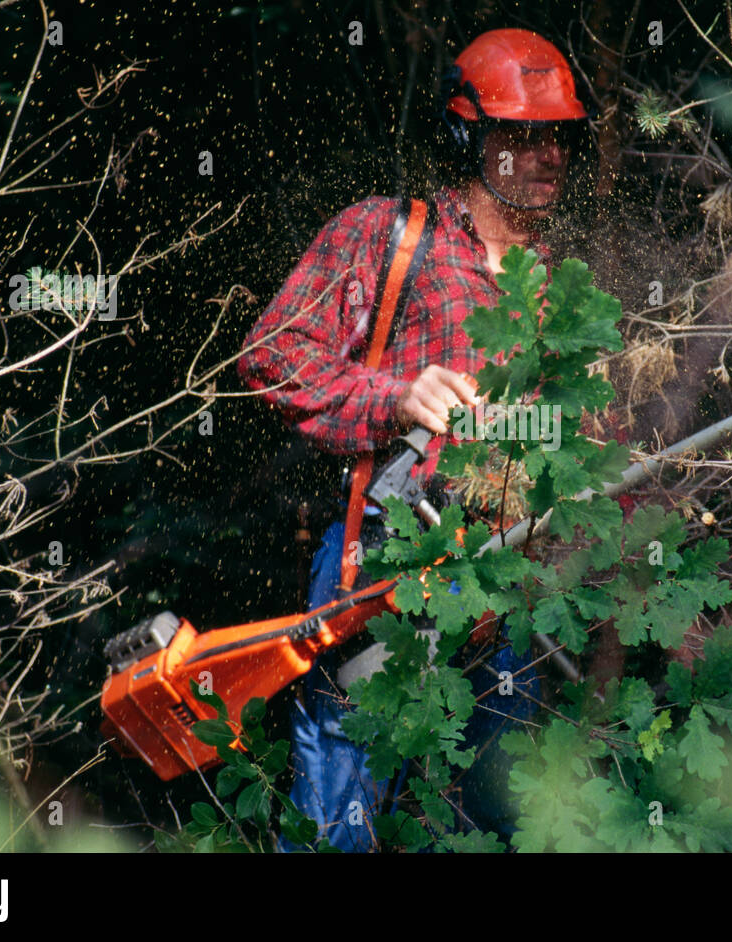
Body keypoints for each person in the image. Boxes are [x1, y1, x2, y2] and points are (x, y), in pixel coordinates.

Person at [237, 28, 591, 851]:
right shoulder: (391, 236)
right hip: (387, 570)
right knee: (339, 830)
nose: (545, 157)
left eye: (557, 137)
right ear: (469, 132)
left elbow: (592, 446)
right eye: (521, 136)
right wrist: (396, 397)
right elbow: (270, 355)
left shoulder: (561, 288)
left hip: (505, 597)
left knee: (490, 833)